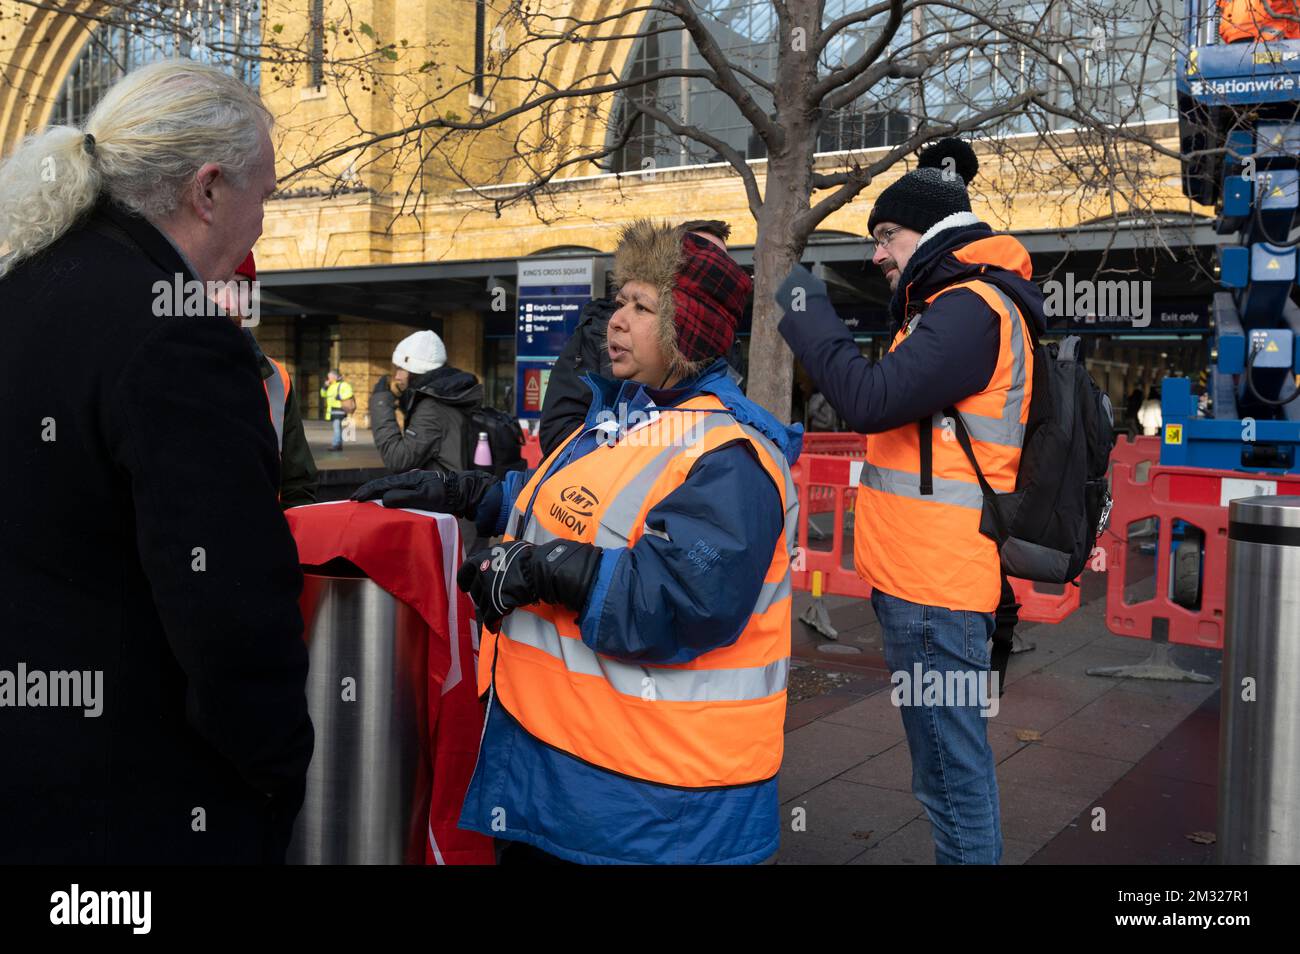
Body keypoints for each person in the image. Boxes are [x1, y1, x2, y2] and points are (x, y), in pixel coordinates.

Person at [353, 219, 802, 864]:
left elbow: (684, 597)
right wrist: (464, 494)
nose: (616, 320)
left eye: (642, 307)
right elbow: (564, 506)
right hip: (564, 775)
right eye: (621, 300)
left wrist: (542, 571)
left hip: (653, 805)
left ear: (689, 331)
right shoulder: (623, 420)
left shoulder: (728, 455)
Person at [0, 60, 313, 863]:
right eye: (265, 197)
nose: (262, 228)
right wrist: (274, 773)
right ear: (207, 190)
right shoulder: (175, 337)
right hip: (131, 806)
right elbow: (229, 610)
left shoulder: (23, 288)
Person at [775, 138, 1047, 864]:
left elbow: (868, 399)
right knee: (946, 768)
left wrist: (805, 307)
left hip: (937, 588)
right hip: (928, 583)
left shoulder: (970, 308)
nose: (877, 256)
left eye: (885, 237)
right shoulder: (953, 305)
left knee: (949, 778)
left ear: (928, 233)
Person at [537, 219, 735, 458]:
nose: (618, 321)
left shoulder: (724, 370)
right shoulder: (600, 331)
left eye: (719, 267)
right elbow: (560, 437)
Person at [224, 252, 318, 507]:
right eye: (217, 284)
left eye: (240, 287)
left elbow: (297, 486)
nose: (228, 302)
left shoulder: (277, 379)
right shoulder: (156, 369)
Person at [370, 329, 484, 473]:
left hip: (445, 492)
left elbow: (398, 459)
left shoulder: (432, 407)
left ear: (416, 371)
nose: (397, 377)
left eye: (401, 369)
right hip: (456, 487)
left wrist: (380, 402)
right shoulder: (448, 396)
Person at [320, 368, 354, 451]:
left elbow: (349, 393)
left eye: (330, 377)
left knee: (336, 427)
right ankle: (338, 444)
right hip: (333, 410)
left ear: (335, 377)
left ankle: (336, 444)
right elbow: (323, 394)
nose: (329, 379)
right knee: (337, 427)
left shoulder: (343, 385)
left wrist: (341, 397)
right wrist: (325, 386)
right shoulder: (331, 385)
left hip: (339, 409)